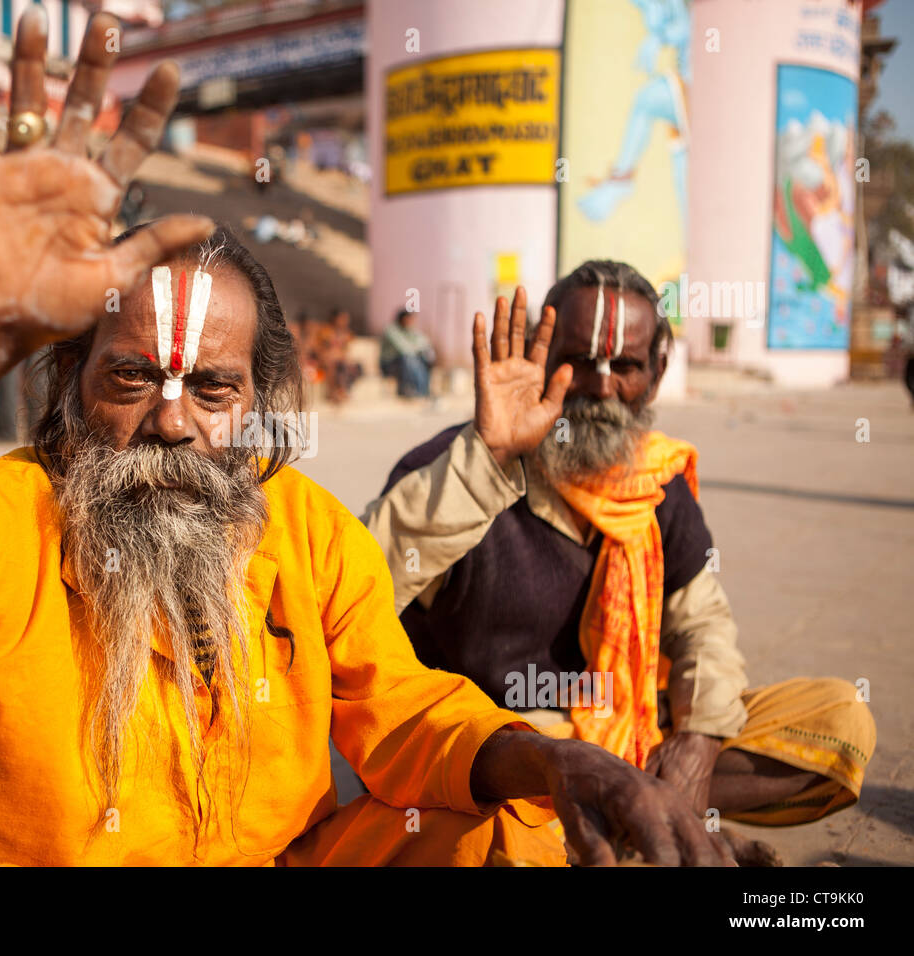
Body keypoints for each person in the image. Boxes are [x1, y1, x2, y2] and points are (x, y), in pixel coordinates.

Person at [0, 11, 733, 867]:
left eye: (211, 387)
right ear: (70, 384)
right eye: (131, 374)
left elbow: (409, 716)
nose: (172, 418)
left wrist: (561, 766)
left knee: (518, 832)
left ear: (258, 400)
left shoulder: (305, 536)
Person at [362, 261, 877, 865]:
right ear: (539, 354)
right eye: (579, 361)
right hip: (508, 755)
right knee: (485, 838)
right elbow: (356, 596)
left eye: (624, 366)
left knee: (839, 721)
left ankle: (638, 814)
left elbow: (703, 626)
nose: (601, 388)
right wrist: (489, 460)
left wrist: (697, 745)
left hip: (637, 730)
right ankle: (651, 827)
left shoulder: (657, 484)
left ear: (655, 376)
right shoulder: (459, 464)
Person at [379, 307, 434, 397]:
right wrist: (417, 349)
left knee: (426, 357)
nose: (412, 322)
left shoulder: (410, 330)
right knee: (408, 358)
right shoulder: (391, 330)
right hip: (388, 364)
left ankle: (424, 390)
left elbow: (425, 343)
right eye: (409, 319)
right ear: (403, 319)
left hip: (406, 361)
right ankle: (410, 389)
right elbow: (404, 349)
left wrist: (422, 350)